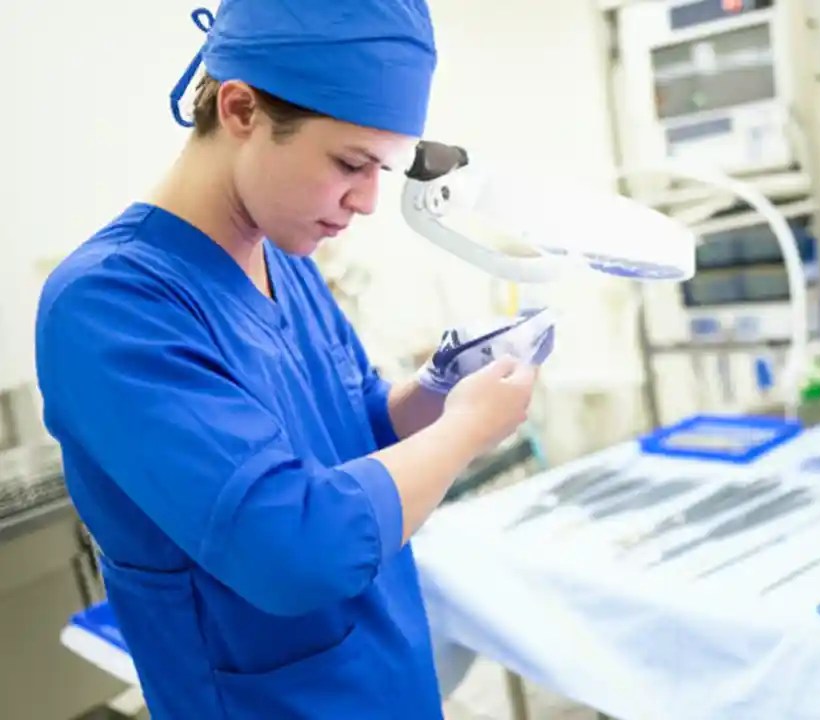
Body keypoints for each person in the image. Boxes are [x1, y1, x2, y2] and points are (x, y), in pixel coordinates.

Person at [34, 2, 541, 718]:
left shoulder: (285, 256)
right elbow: (294, 549)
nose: (367, 201)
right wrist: (466, 430)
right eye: (349, 164)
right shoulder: (109, 306)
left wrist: (439, 389)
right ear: (241, 109)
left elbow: (357, 425)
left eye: (383, 169)